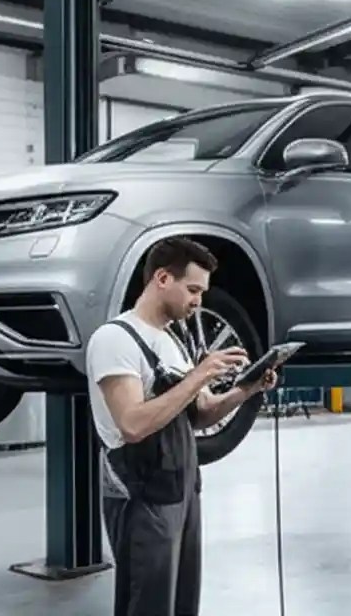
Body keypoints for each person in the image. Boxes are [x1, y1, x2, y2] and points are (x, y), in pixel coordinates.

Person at [85, 236, 277, 616]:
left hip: (180, 488)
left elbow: (201, 413)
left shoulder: (173, 341)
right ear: (161, 279)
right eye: (192, 290)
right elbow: (132, 424)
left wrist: (247, 389)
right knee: (148, 603)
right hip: (141, 495)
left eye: (201, 292)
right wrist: (200, 373)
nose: (198, 302)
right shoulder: (115, 339)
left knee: (183, 600)